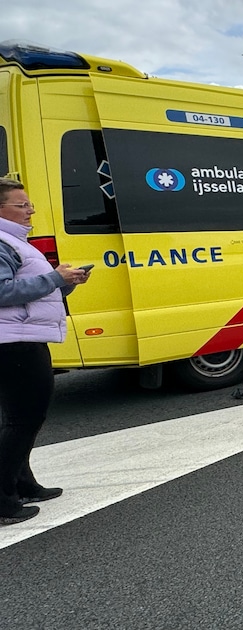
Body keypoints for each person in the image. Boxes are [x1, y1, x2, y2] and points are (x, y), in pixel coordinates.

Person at [0, 177, 90, 525]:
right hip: (13, 343)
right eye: (22, 205)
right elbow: (3, 291)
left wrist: (65, 284)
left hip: (22, 337)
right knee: (24, 419)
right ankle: (3, 499)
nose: (31, 210)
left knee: (21, 419)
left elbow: (31, 291)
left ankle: (22, 484)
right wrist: (54, 278)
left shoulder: (15, 241)